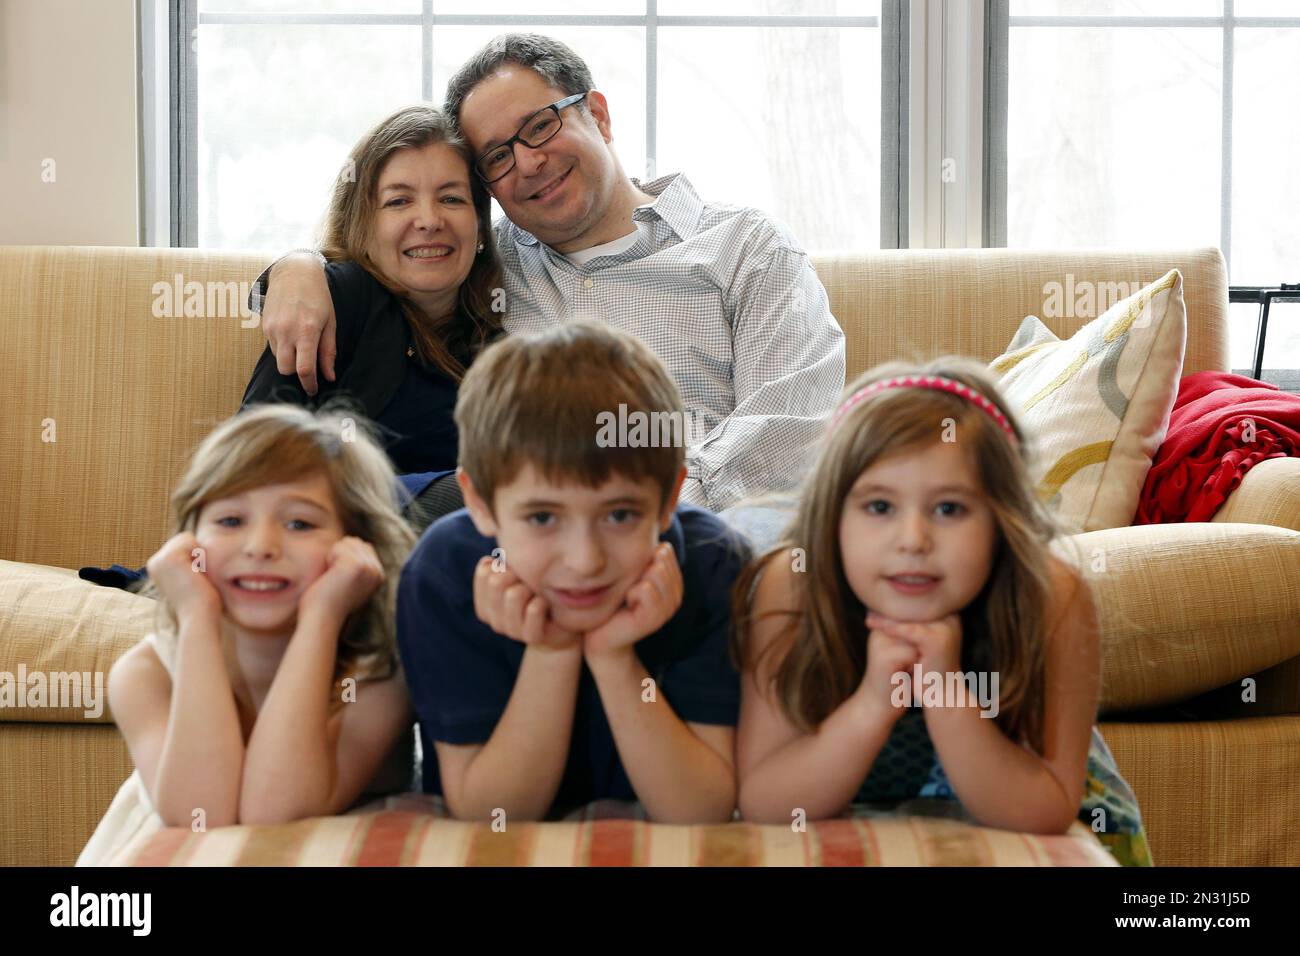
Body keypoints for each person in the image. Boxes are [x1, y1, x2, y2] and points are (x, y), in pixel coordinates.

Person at [250, 33, 845, 519]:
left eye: (540, 126)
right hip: (540, 549)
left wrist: (652, 517)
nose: (529, 162)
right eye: (498, 157)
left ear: (600, 115)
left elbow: (791, 427)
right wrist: (298, 268)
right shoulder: (490, 269)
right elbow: (391, 254)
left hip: (722, 525)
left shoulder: (746, 248)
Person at [729, 358, 1152, 866]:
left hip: (1017, 818)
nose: (913, 541)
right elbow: (768, 803)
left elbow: (1042, 812)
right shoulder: (794, 585)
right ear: (832, 515)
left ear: (1002, 520)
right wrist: (873, 702)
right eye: (879, 507)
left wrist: (945, 690)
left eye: (949, 508)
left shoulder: (1050, 595)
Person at [396, 321, 751, 823]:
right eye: (542, 518)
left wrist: (613, 657)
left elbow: (698, 810)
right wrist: (552, 651)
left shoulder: (714, 563)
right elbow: (492, 815)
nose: (585, 561)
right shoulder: (443, 573)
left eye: (620, 515)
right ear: (479, 501)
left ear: (670, 498)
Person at [76, 404, 417, 865]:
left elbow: (275, 811)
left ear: (357, 545)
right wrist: (196, 615)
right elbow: (202, 813)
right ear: (189, 541)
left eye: (299, 523)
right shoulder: (146, 674)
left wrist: (321, 617)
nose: (260, 547)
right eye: (231, 521)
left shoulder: (382, 675)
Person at [241, 104, 505, 533]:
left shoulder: (498, 333)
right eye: (398, 201)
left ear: (479, 226)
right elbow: (247, 464)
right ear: (364, 225)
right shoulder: (339, 299)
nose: (429, 220)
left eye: (452, 198)